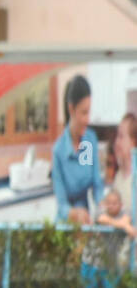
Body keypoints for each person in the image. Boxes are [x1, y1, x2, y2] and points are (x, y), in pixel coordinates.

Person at [52, 74, 105, 225]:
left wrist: (103, 205)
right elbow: (62, 205)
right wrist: (74, 213)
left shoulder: (88, 143)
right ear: (71, 109)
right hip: (66, 226)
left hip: (86, 224)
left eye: (89, 112)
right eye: (83, 112)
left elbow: (96, 185)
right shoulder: (59, 151)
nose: (87, 119)